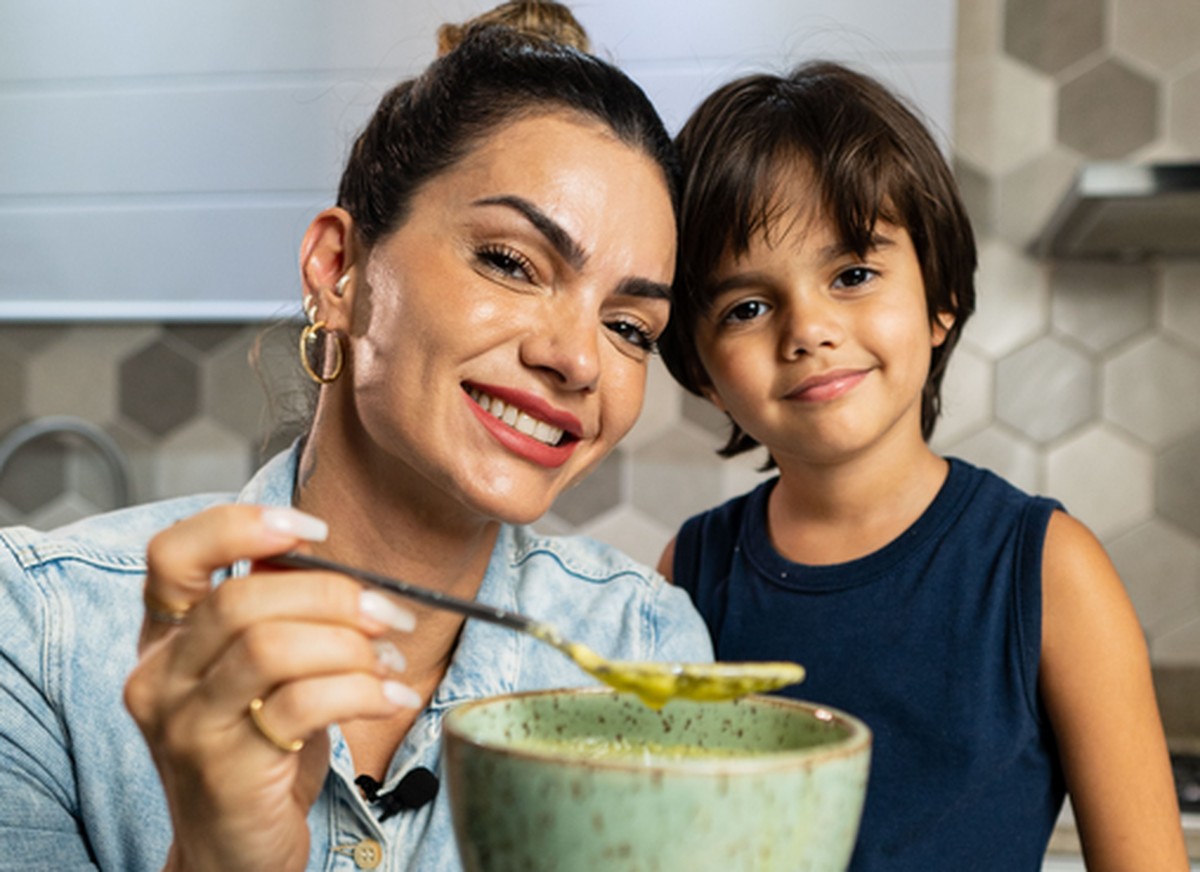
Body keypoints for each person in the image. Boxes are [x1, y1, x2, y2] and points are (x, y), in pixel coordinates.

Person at [0, 20, 714, 872]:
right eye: (511, 262)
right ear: (339, 269)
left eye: (630, 326)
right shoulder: (40, 638)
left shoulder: (644, 650)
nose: (577, 358)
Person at [656, 61, 1188, 870]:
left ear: (940, 297)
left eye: (854, 275)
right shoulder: (689, 576)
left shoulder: (1048, 571)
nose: (808, 329)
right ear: (701, 370)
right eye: (748, 307)